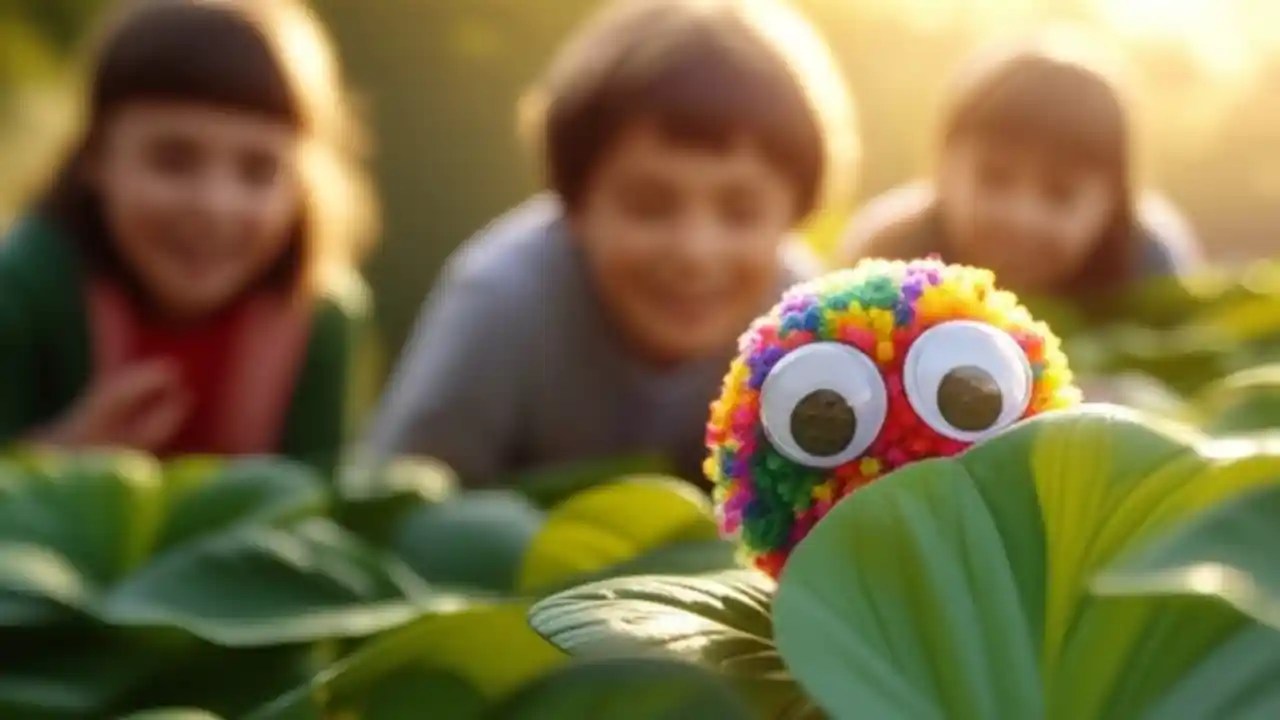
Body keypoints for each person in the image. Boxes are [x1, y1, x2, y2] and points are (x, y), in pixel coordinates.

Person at [364, 0, 857, 487]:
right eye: (650, 207)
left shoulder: (805, 331)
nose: (695, 252)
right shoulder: (502, 297)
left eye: (741, 213)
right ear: (574, 206)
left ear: (795, 215)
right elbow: (395, 501)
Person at [0, 0, 377, 476]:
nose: (215, 205)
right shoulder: (23, 288)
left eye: (258, 171)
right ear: (95, 158)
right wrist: (58, 457)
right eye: (172, 160)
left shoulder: (320, 315)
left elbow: (322, 504)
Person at [841, 34, 1202, 303]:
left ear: (1113, 204)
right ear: (943, 168)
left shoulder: (1149, 264)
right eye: (994, 179)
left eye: (1060, 195)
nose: (1021, 217)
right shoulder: (888, 252)